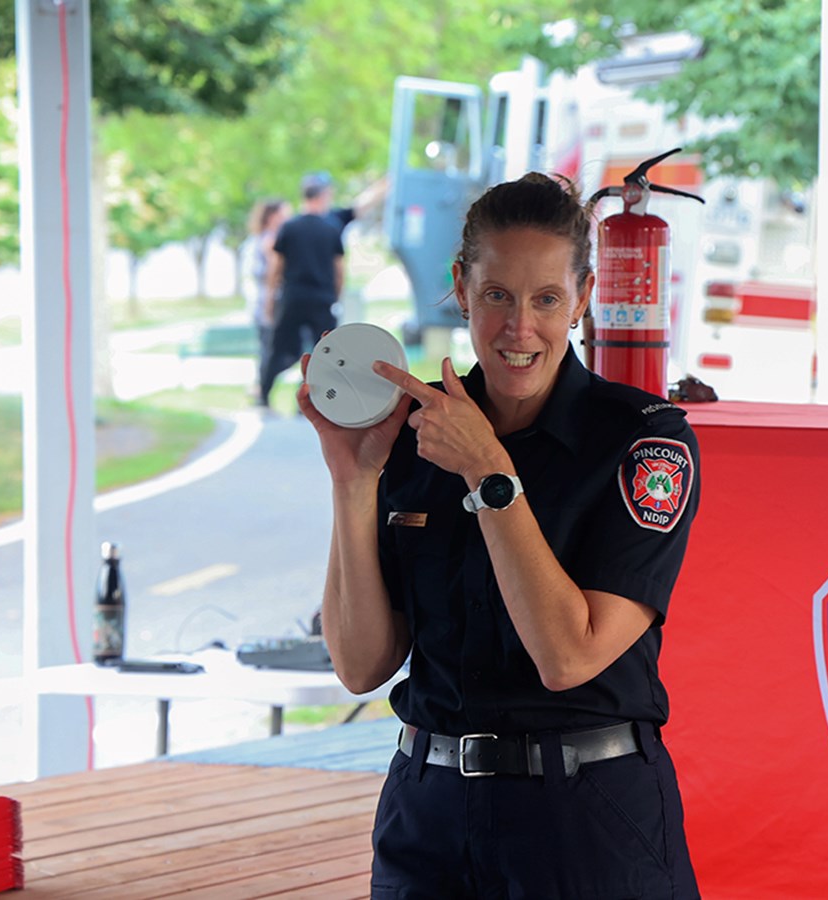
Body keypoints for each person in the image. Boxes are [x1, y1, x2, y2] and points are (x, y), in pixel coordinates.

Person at [298, 172, 702, 898]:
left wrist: (489, 471)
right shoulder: (417, 433)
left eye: (546, 299)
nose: (520, 329)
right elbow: (361, 667)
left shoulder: (645, 445)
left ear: (581, 298)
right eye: (497, 297)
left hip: (587, 824)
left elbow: (568, 656)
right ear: (461, 287)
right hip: (427, 819)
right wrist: (353, 482)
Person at [264, 172, 357, 389]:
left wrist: (270, 299)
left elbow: (276, 267)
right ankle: (309, 395)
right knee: (325, 351)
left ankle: (264, 393)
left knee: (279, 347)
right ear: (323, 196)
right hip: (321, 299)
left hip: (293, 297)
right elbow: (339, 270)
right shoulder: (331, 228)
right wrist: (336, 296)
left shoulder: (289, 227)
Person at [241, 198, 289, 407]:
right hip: (269, 304)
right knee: (274, 349)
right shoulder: (270, 241)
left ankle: (261, 387)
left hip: (262, 304)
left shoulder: (258, 239)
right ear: (272, 217)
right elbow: (272, 275)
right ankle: (262, 388)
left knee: (268, 349)